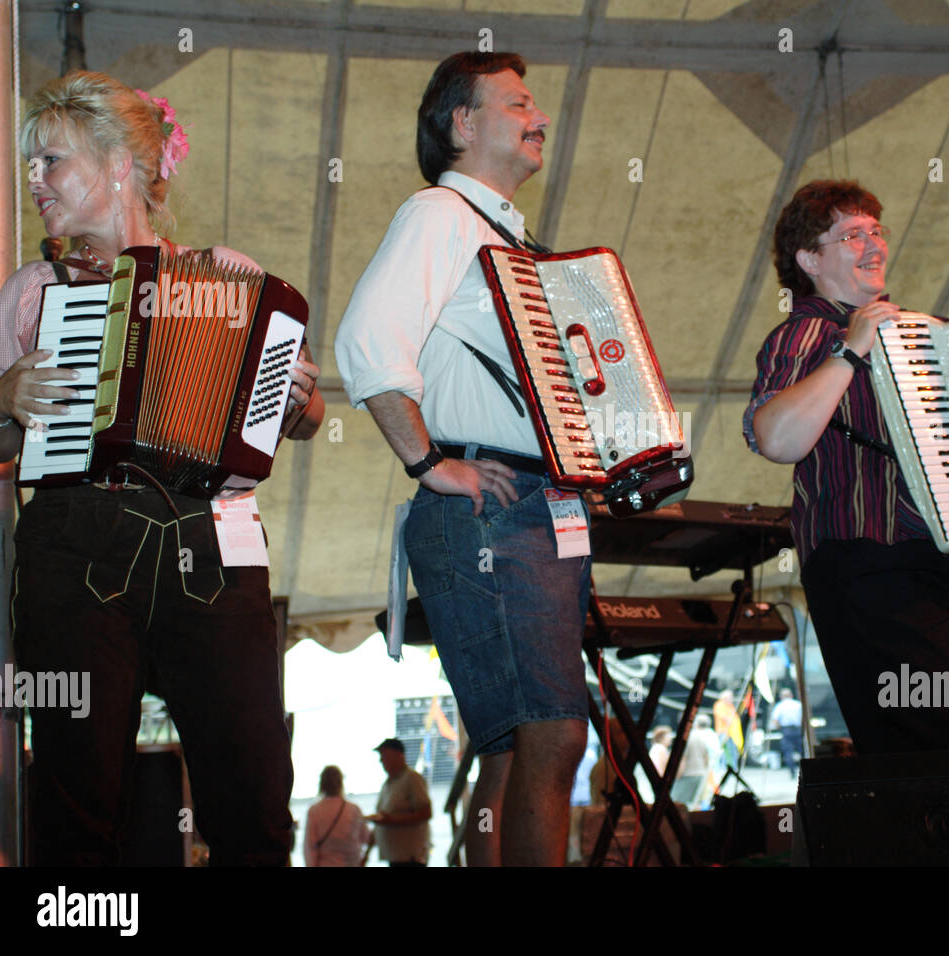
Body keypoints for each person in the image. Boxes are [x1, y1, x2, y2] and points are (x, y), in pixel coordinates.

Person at [0, 71, 322, 866]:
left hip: (212, 539)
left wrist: (298, 400)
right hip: (75, 541)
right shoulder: (34, 291)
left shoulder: (225, 272)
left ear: (115, 166)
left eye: (51, 162)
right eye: (31, 165)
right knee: (76, 795)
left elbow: (302, 421)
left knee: (252, 795)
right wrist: (1, 397)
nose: (35, 182)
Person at [335, 51, 590, 867]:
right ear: (463, 124)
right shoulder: (441, 214)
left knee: (517, 742)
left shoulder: (500, 234)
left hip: (528, 498)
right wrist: (431, 465)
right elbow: (368, 345)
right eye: (518, 103)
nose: (540, 116)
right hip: (489, 500)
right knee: (550, 732)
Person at [743, 180, 949, 756]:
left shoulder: (910, 332)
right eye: (852, 235)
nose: (874, 243)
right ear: (809, 259)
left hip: (943, 564)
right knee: (923, 749)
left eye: (876, 230)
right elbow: (775, 438)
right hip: (873, 565)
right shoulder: (805, 331)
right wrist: (850, 350)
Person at [366, 739, 432, 867]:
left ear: (398, 755)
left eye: (384, 756)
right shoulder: (388, 784)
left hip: (410, 857)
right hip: (395, 855)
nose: (381, 761)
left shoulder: (412, 778)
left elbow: (426, 813)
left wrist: (392, 820)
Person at [304, 765, 371, 867]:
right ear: (341, 782)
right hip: (352, 863)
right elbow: (366, 838)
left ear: (321, 784)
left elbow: (310, 846)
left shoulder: (314, 810)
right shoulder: (354, 809)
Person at [768, 687, 804, 777]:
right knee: (802, 750)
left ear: (781, 697)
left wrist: (780, 728)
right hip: (797, 729)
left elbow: (775, 720)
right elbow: (804, 718)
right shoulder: (798, 704)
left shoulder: (779, 706)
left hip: (786, 730)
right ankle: (805, 770)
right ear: (791, 695)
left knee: (788, 752)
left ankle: (792, 772)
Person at [712, 689, 744, 772]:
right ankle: (723, 768)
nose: (732, 699)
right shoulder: (719, 705)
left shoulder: (731, 706)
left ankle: (733, 767)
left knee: (733, 750)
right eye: (730, 697)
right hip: (723, 732)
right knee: (724, 751)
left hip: (732, 733)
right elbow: (724, 718)